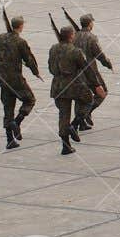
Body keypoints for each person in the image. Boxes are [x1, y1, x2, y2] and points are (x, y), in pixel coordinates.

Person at [0, 13, 41, 150]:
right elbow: (28, 59)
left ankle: (10, 140)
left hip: (2, 78)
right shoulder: (20, 42)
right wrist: (36, 72)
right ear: (21, 26)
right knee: (30, 100)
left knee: (8, 108)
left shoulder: (1, 37)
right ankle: (17, 122)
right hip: (15, 78)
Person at [48, 24, 93, 155]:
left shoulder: (53, 49)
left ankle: (65, 145)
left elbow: (50, 68)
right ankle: (76, 123)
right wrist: (96, 85)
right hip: (74, 84)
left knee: (63, 114)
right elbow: (87, 69)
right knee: (89, 99)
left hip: (57, 85)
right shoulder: (75, 51)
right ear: (71, 36)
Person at [71, 13, 112, 133]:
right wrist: (107, 63)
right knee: (102, 92)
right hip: (91, 72)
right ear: (89, 24)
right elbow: (99, 54)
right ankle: (86, 113)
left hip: (77, 72)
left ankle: (82, 122)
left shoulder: (74, 36)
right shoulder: (91, 37)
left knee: (80, 98)